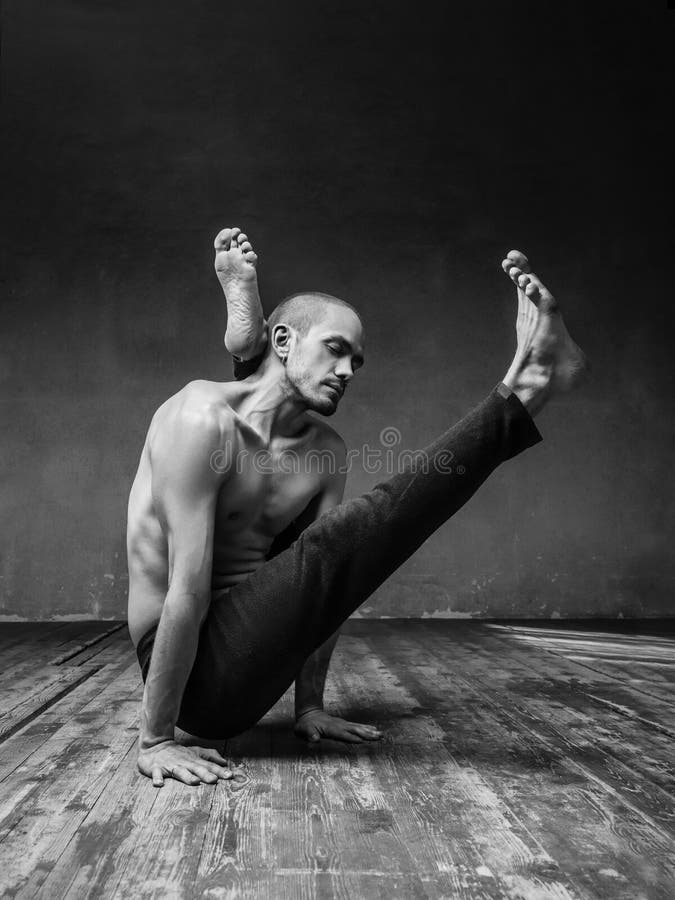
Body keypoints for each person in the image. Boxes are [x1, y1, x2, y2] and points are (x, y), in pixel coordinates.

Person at [126, 227, 587, 787]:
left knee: (326, 532)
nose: (348, 372)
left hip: (257, 659)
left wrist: (309, 708)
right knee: (330, 524)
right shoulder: (196, 418)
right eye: (336, 350)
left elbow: (330, 591)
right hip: (189, 683)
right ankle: (530, 384)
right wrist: (155, 738)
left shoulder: (326, 453)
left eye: (357, 362)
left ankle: (245, 354)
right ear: (287, 341)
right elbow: (188, 588)